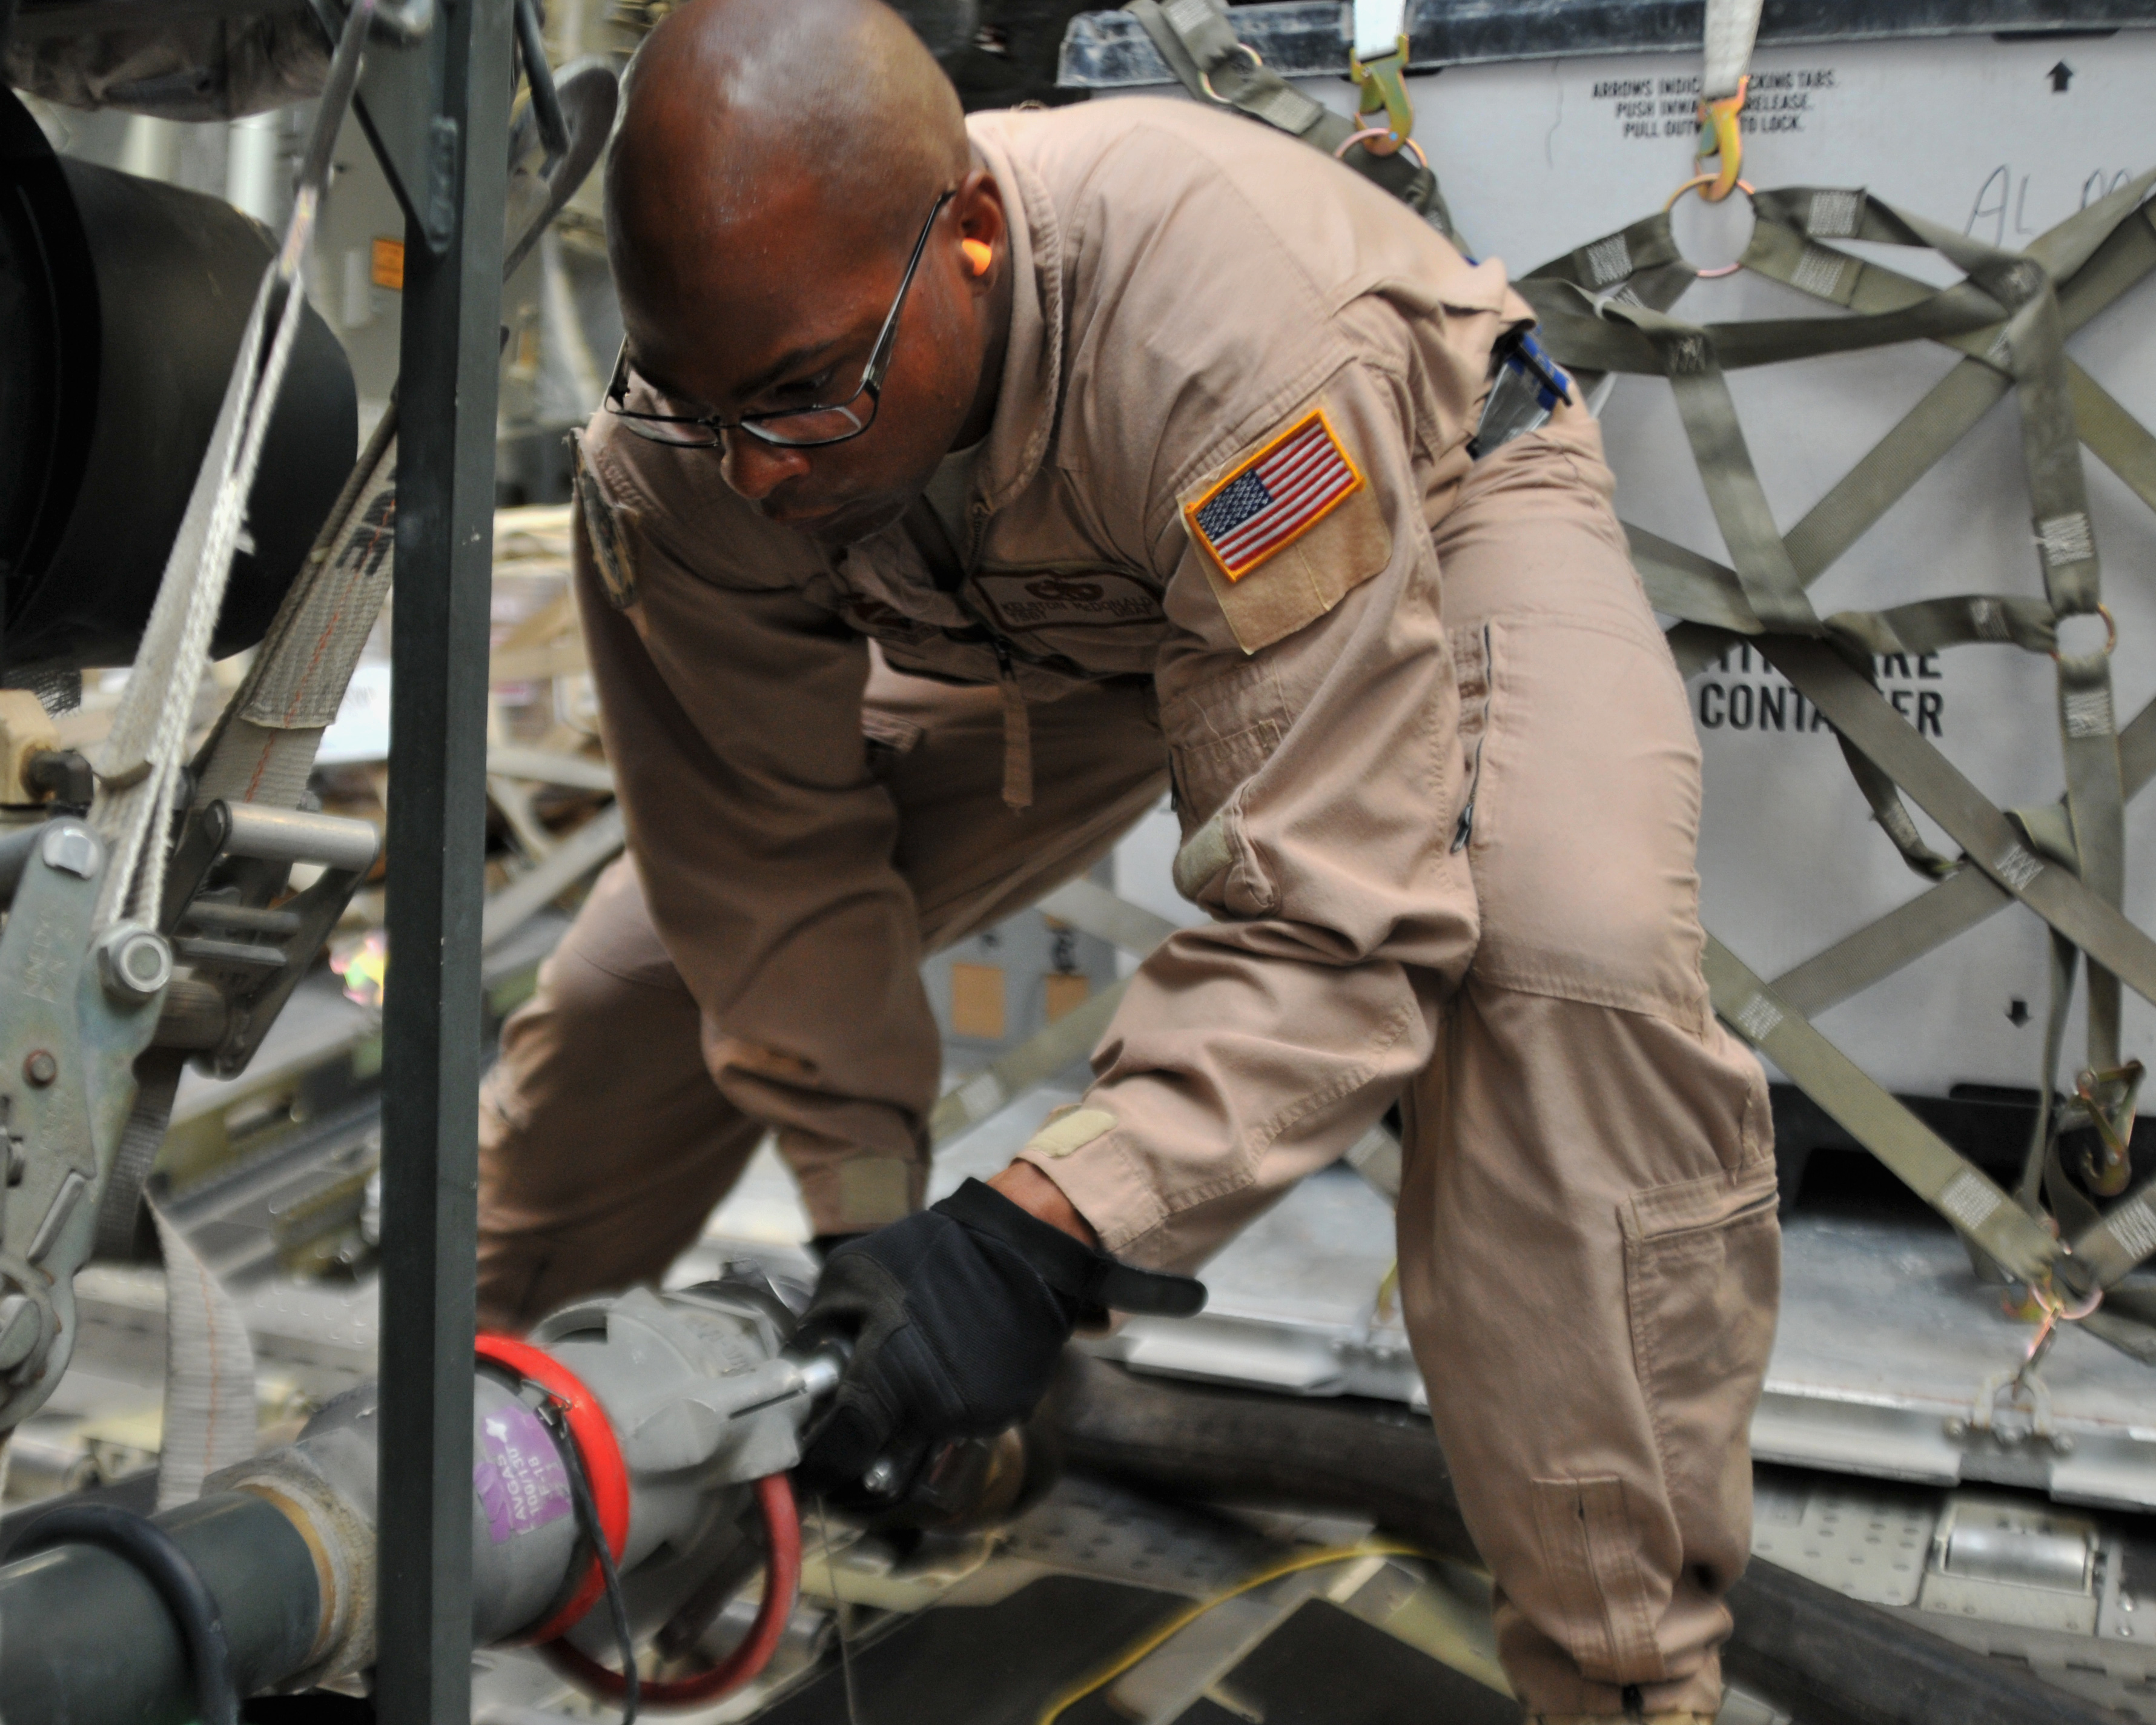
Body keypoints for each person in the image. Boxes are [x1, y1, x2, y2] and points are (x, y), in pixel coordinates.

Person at [476, 0, 1779, 1715]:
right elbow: (762, 863)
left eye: (801, 393)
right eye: (702, 406)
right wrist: (892, 1289)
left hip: (1426, 512)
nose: (760, 475)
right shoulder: (700, 451)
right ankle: (437, 1484)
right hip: (1035, 614)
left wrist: (1036, 1237)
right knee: (636, 985)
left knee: (1557, 958)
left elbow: (1339, 915)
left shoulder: (1226, 343)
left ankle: (1623, 1676)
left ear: (975, 237)